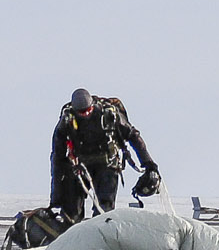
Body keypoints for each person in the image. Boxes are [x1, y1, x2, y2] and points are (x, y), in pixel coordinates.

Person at [50, 88, 158, 220]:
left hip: (107, 165)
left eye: (87, 111)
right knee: (70, 211)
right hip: (80, 167)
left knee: (103, 211)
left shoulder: (108, 115)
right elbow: (57, 158)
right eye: (81, 112)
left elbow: (133, 136)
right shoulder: (66, 122)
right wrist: (56, 197)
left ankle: (101, 235)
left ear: (91, 106)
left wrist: (149, 164)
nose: (84, 115)